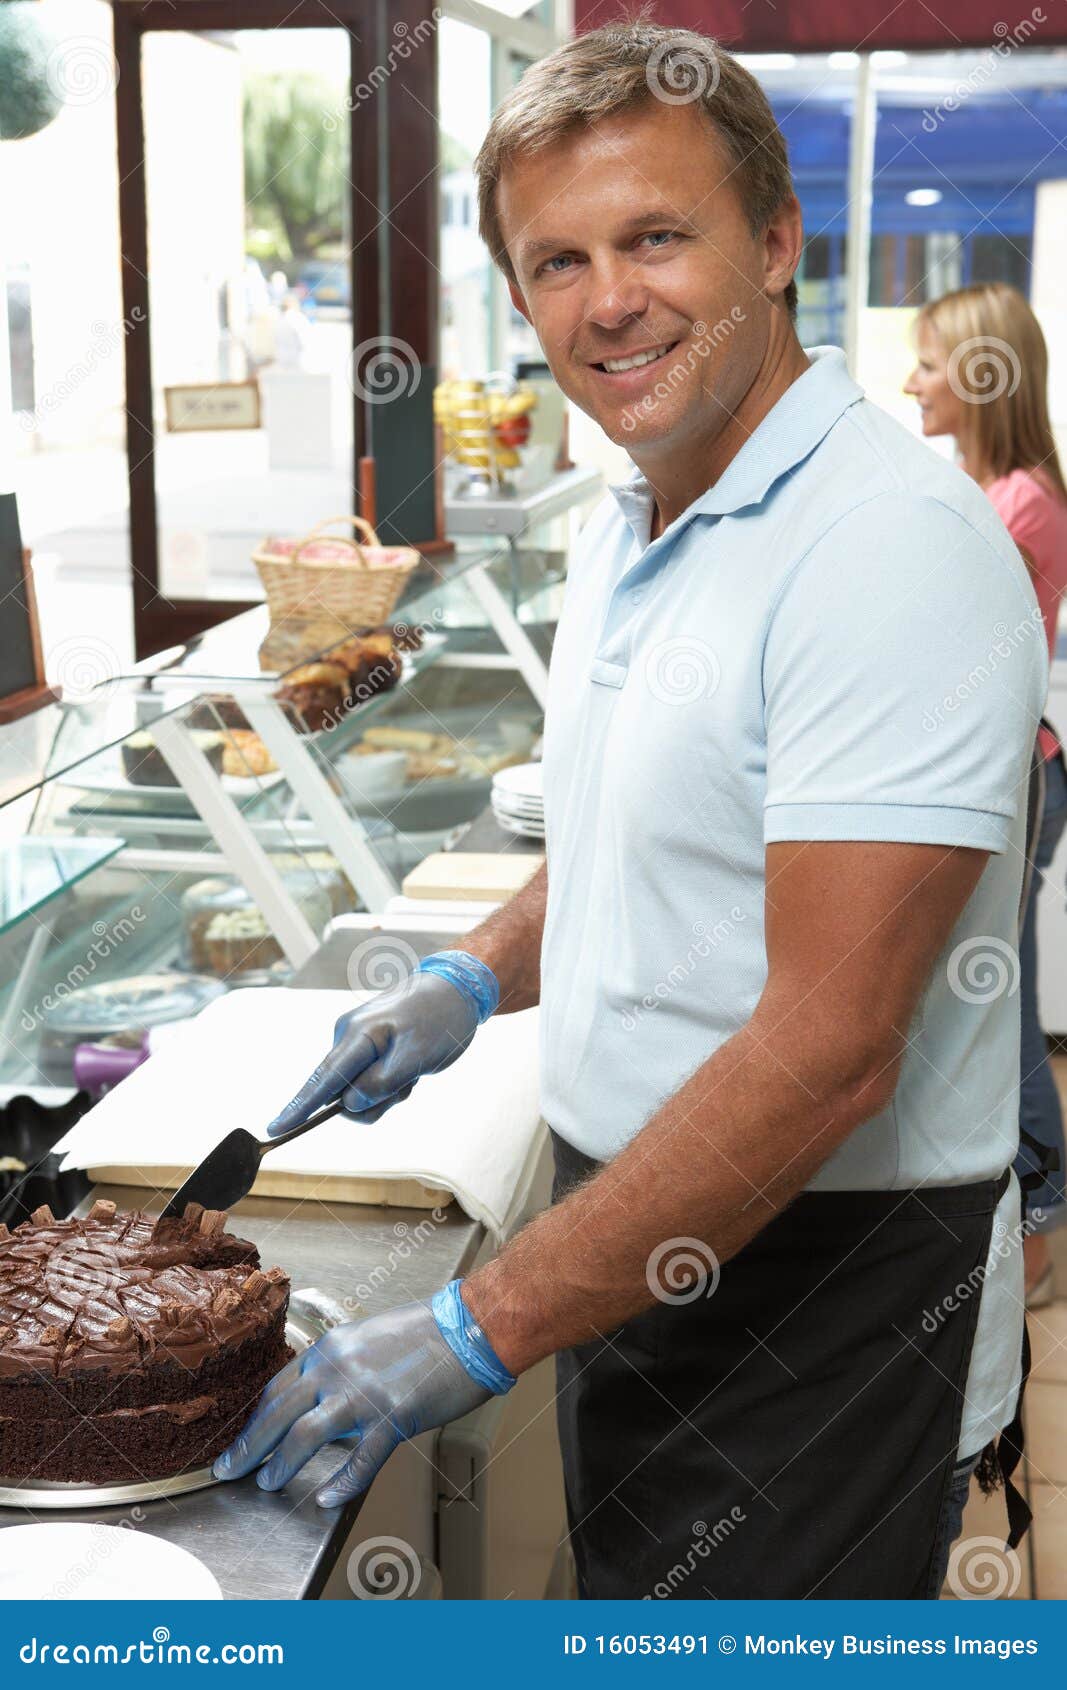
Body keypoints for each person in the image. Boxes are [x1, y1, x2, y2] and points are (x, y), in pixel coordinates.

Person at [214, 24, 1047, 1599]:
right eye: (556, 260)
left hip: (825, 1304)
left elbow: (827, 1050)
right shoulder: (633, 511)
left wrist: (474, 1324)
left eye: (655, 237)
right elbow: (635, 837)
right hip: (649, 1237)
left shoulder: (885, 545)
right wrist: (467, 976)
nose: (606, 300)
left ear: (775, 243)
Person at [905, 284, 1067, 1302]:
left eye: (927, 364)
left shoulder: (1017, 504)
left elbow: (950, 646)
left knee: (998, 1007)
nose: (909, 381)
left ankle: (1038, 1233)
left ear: (976, 377)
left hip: (1012, 781)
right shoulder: (986, 490)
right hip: (996, 776)